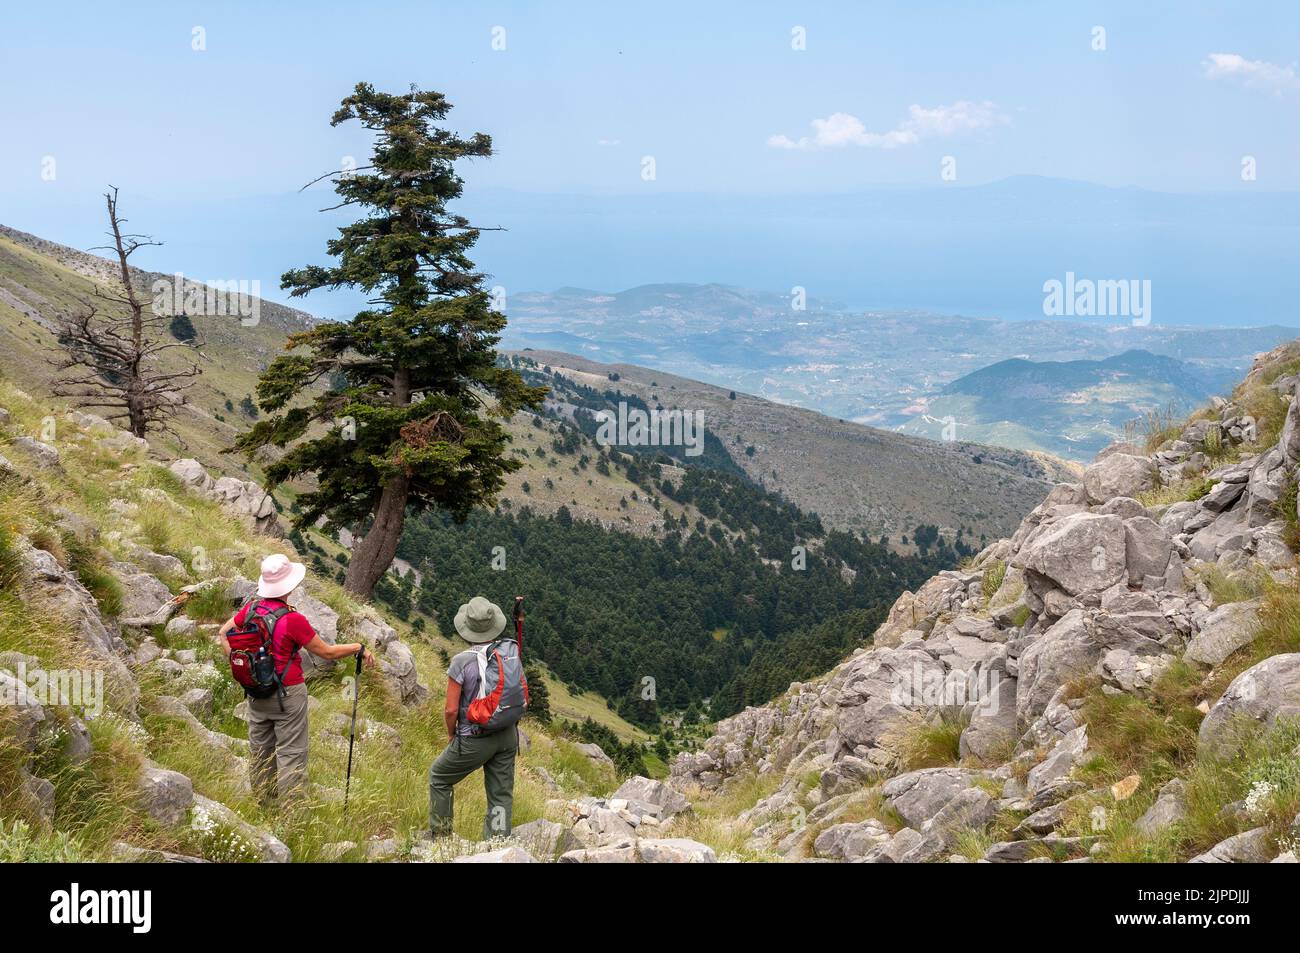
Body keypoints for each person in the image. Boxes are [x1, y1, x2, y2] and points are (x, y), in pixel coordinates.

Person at [218, 553, 374, 800]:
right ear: (289, 586)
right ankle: (292, 817)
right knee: (291, 754)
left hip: (256, 691)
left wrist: (240, 665)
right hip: (288, 694)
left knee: (260, 752)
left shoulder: (250, 610)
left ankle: (263, 805)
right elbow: (327, 652)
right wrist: (357, 647)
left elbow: (223, 634)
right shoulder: (292, 619)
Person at [428, 596, 523, 839]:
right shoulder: (508, 652)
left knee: (439, 776)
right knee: (500, 795)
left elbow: (450, 710)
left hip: (474, 738)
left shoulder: (461, 662)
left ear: (466, 629)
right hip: (507, 734)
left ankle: (440, 838)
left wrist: (451, 733)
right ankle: (498, 846)